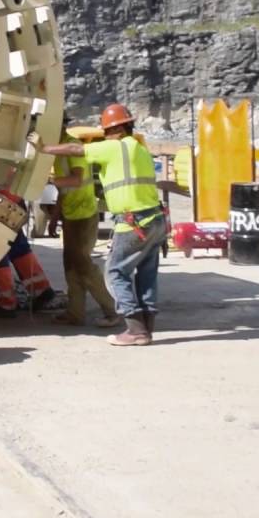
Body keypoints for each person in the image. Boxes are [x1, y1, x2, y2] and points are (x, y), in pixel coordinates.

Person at [37, 103, 166, 346]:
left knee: (116, 272)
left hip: (133, 221)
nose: (105, 135)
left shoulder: (115, 147)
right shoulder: (139, 149)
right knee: (146, 275)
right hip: (155, 219)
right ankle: (145, 328)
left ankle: (133, 328)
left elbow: (77, 150)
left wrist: (43, 148)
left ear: (116, 129)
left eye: (106, 131)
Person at [50, 116, 121, 328]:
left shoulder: (73, 147)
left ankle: (111, 310)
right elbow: (64, 189)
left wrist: (48, 180)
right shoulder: (59, 150)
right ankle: (75, 313)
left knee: (83, 265)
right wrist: (55, 216)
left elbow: (76, 179)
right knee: (71, 265)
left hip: (83, 214)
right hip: (71, 214)